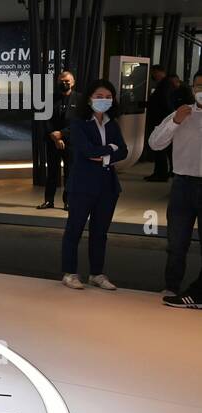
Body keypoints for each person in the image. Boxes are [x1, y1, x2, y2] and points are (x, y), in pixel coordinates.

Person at [60, 80, 127, 290]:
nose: (104, 100)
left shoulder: (112, 123)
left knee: (100, 232)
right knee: (75, 229)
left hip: (107, 186)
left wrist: (105, 155)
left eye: (108, 96)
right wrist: (110, 149)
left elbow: (123, 151)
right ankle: (69, 272)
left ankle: (97, 273)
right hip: (82, 185)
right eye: (99, 96)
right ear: (89, 99)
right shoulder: (79, 123)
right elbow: (87, 151)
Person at [148, 72, 202, 308]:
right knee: (177, 242)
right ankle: (172, 285)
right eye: (199, 85)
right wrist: (175, 121)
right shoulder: (181, 113)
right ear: (192, 87)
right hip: (182, 184)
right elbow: (155, 143)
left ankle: (198, 293)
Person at [39, 69, 80, 209]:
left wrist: (62, 134)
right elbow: (45, 120)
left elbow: (79, 123)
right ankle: (49, 200)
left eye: (67, 81)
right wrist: (55, 137)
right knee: (52, 173)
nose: (64, 83)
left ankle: (68, 201)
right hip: (52, 142)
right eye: (62, 81)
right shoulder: (50, 99)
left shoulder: (80, 99)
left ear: (72, 83)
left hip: (71, 142)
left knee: (69, 172)